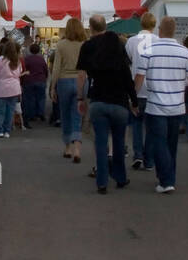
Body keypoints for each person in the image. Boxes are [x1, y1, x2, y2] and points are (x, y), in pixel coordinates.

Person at [135, 17, 188, 194]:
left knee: (158, 142)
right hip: (177, 105)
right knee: (172, 144)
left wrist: (133, 99)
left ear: (160, 30)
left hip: (155, 105)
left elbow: (139, 78)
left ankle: (166, 180)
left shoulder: (148, 51)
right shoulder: (185, 52)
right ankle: (169, 177)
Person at [76, 15, 133, 194]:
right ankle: (120, 176)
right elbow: (128, 78)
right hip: (119, 102)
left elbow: (82, 75)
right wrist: (135, 101)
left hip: (98, 100)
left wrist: (80, 98)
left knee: (100, 142)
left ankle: (101, 181)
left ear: (91, 28)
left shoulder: (88, 48)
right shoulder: (119, 49)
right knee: (118, 142)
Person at [48, 16, 87, 161]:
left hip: (64, 81)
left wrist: (53, 87)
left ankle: (68, 148)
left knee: (65, 115)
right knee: (78, 115)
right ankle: (77, 148)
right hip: (81, 80)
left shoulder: (61, 45)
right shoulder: (85, 44)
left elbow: (56, 67)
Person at [125, 13, 157, 171]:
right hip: (153, 89)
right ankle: (149, 159)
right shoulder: (158, 41)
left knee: (136, 124)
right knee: (151, 127)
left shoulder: (131, 41)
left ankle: (137, 154)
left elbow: (128, 61)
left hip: (136, 87)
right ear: (154, 24)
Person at [0, 39, 23, 138]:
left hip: (1, 88)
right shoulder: (17, 61)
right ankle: (7, 131)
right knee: (10, 111)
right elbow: (19, 73)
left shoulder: (2, 59)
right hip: (14, 88)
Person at [21, 42, 48, 125]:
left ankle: (31, 115)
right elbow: (45, 69)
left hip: (29, 80)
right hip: (40, 80)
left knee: (30, 98)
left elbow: (24, 69)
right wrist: (45, 77)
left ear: (30, 50)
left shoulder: (27, 59)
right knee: (41, 98)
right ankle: (40, 113)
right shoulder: (41, 59)